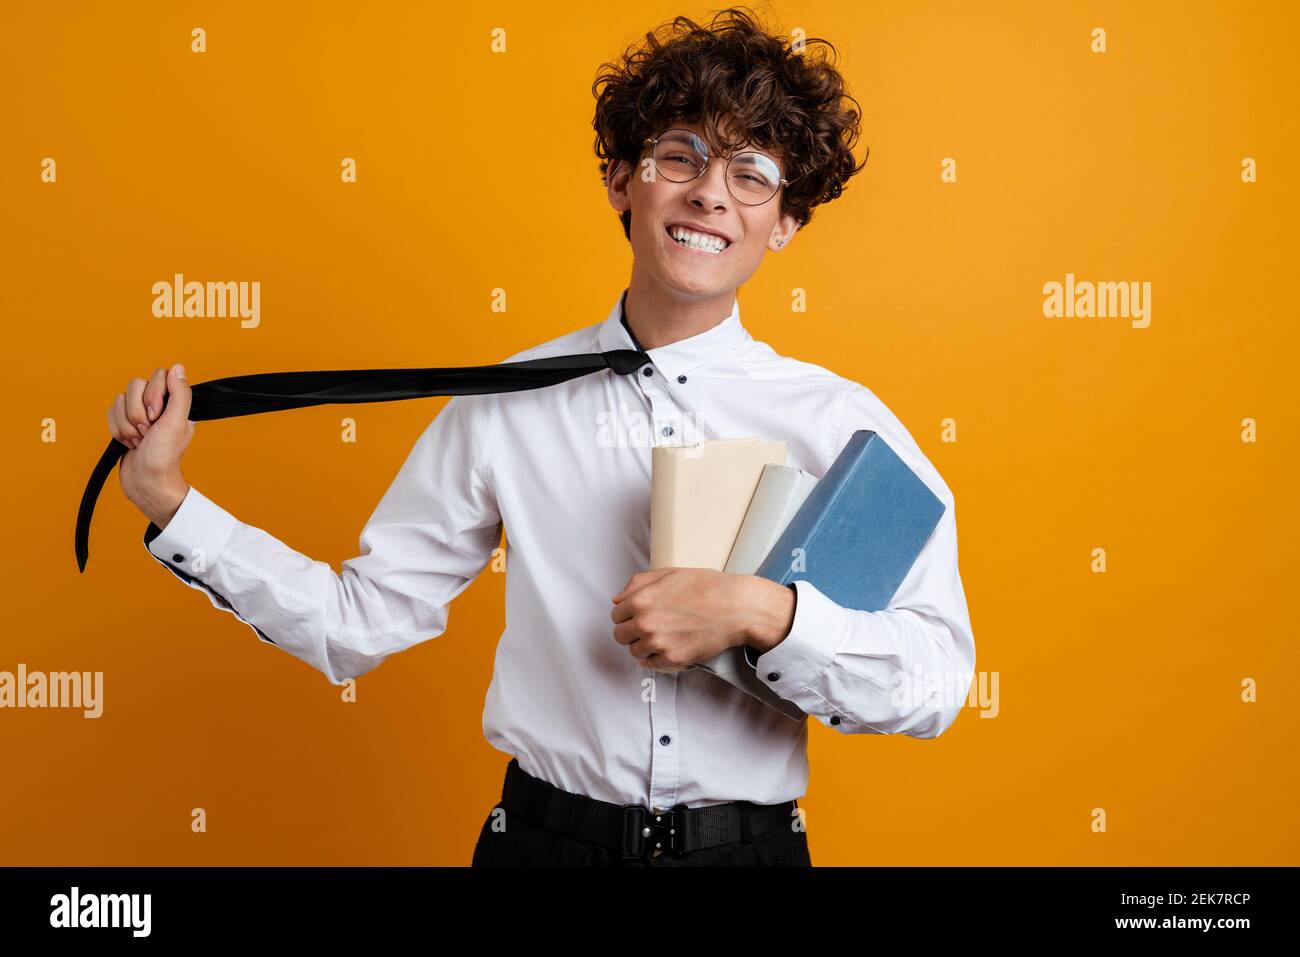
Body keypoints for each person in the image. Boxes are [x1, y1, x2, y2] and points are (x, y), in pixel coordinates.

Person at [106, 7, 975, 867]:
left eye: (752, 174)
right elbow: (355, 623)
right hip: (543, 848)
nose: (711, 191)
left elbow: (934, 680)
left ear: (786, 220)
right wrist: (170, 504)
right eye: (681, 155)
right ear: (620, 180)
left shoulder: (838, 423)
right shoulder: (504, 404)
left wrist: (764, 613)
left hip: (748, 854)